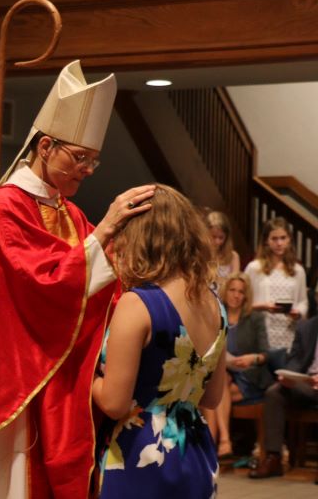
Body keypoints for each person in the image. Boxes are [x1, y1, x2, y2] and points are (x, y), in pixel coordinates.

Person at [0, 59, 156, 498]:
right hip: (9, 379)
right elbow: (43, 284)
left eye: (93, 161)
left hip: (52, 376)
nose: (86, 169)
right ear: (45, 147)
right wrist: (105, 231)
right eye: (80, 158)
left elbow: (101, 285)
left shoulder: (69, 211)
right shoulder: (5, 207)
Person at [93, 185, 227, 499]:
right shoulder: (216, 305)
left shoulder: (138, 303)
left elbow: (114, 403)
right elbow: (212, 397)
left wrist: (81, 374)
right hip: (194, 450)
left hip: (141, 453)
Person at [203, 272, 273, 458]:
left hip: (249, 375)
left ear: (246, 296)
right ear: (225, 293)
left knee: (210, 395)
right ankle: (223, 442)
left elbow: (267, 353)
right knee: (217, 383)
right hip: (223, 375)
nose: (236, 295)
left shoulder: (255, 318)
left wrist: (253, 358)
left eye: (241, 292)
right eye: (232, 290)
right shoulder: (217, 316)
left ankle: (212, 445)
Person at [249, 314, 318, 479]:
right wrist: (289, 375)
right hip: (308, 383)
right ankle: (274, 458)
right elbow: (295, 359)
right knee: (275, 393)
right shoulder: (306, 327)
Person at [244, 217, 307, 361]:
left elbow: (303, 301)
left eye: (283, 238)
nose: (279, 243)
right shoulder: (254, 268)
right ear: (266, 240)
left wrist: (297, 312)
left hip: (288, 332)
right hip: (262, 332)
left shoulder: (298, 270)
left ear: (289, 239)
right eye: (274, 239)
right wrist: (263, 306)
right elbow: (243, 302)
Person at [206, 210, 240, 286]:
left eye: (221, 237)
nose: (217, 242)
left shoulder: (233, 256)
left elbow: (234, 284)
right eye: (213, 237)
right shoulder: (200, 254)